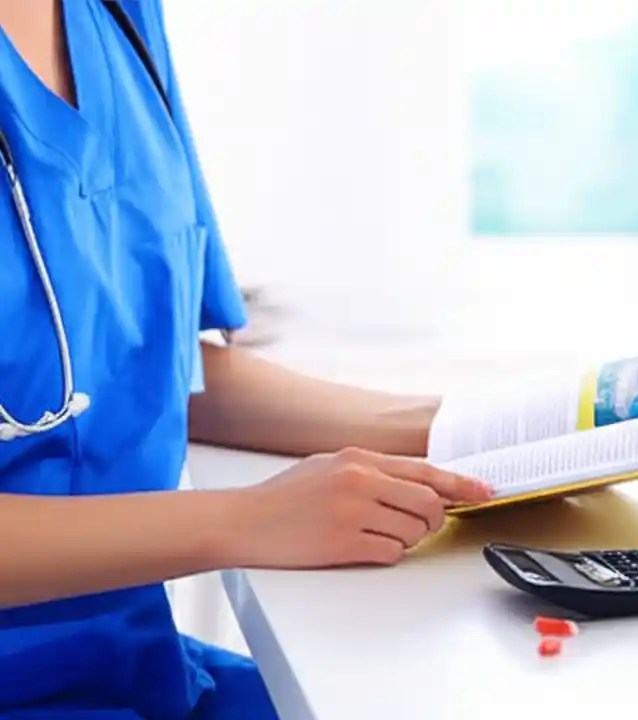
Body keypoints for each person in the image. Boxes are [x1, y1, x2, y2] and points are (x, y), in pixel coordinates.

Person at [0, 1, 492, 717]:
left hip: (136, 674)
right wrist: (248, 520)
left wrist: (460, 431)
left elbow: (153, 367)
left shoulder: (118, 16)